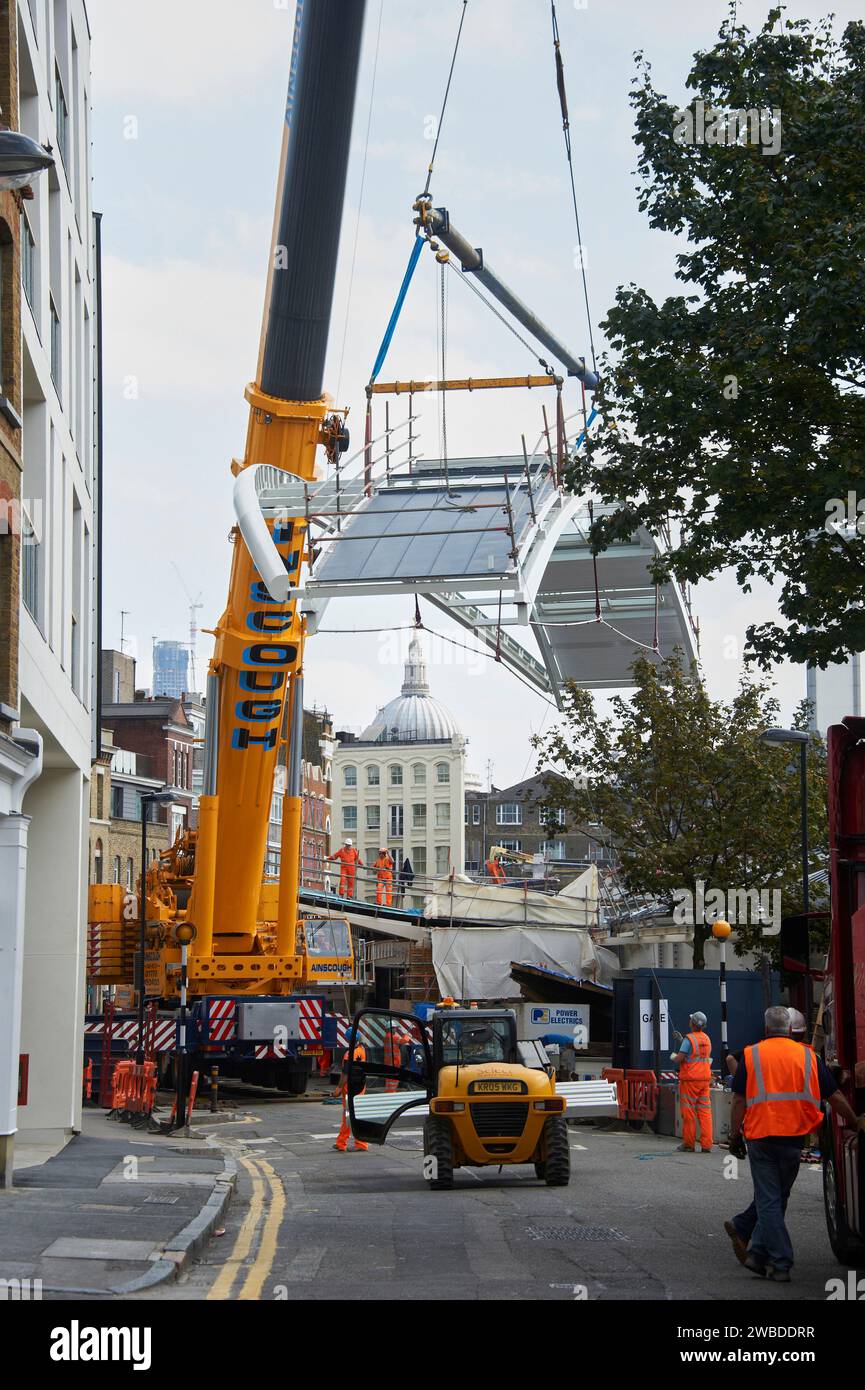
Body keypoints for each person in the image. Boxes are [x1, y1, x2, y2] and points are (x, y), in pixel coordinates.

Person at [724, 1005, 863, 1281]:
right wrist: (854, 1119)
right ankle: (758, 1254)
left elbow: (739, 1100)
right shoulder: (808, 1056)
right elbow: (834, 1095)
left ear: (765, 1030)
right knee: (777, 1198)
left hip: (762, 1137)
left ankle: (781, 1261)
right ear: (789, 1030)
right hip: (794, 1138)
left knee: (769, 1200)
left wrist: (735, 1135)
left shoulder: (752, 1055)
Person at [670, 1010, 713, 1154]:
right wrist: (681, 1040)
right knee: (705, 1112)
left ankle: (689, 1144)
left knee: (688, 1113)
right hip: (704, 1079)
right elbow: (696, 1053)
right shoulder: (706, 1039)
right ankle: (706, 1145)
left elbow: (680, 1058)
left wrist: (673, 1057)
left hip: (690, 1080)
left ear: (693, 1023)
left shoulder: (689, 1039)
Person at [334, 1040, 368, 1153]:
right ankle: (341, 1142)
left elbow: (345, 1073)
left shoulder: (350, 1053)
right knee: (349, 1115)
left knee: (350, 1115)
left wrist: (339, 1088)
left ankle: (360, 1144)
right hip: (359, 1086)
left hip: (351, 1088)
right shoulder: (362, 1050)